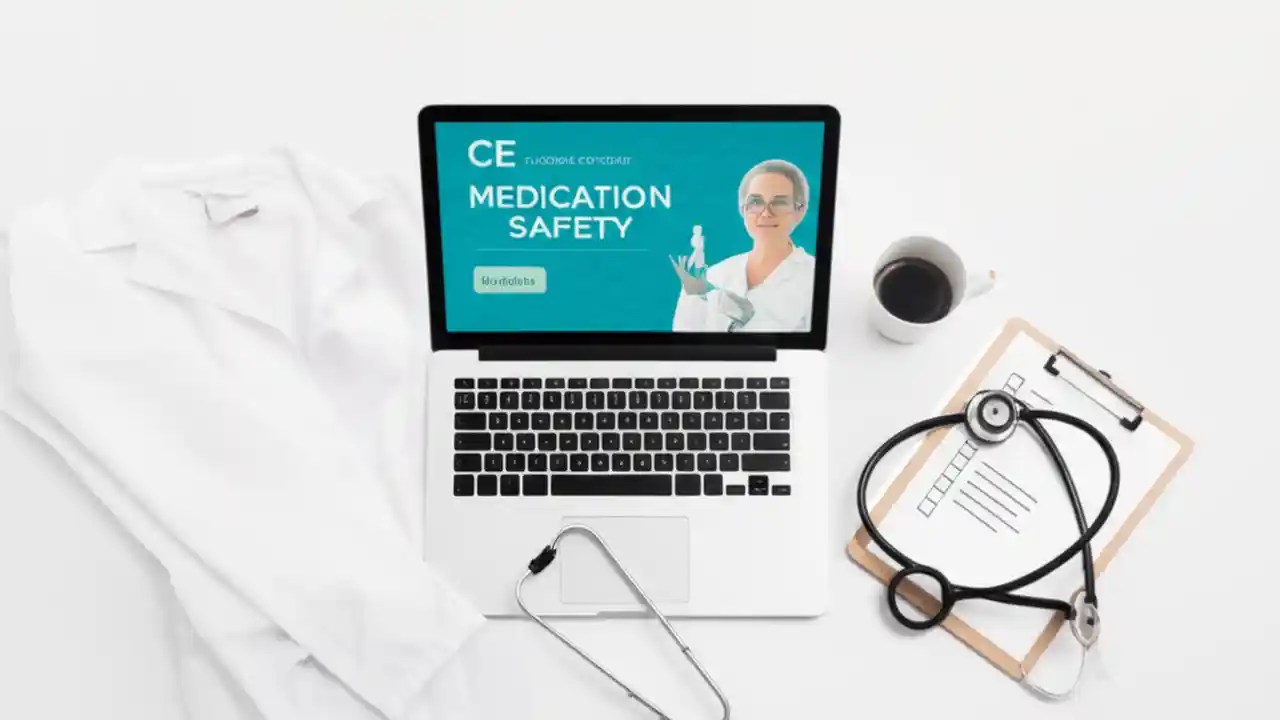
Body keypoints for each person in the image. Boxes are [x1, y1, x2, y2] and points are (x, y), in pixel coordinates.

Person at [670, 159, 816, 332]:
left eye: (779, 203)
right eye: (756, 202)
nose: (766, 213)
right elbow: (684, 342)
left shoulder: (814, 279)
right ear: (743, 209)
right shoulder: (715, 275)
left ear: (800, 211)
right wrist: (692, 297)